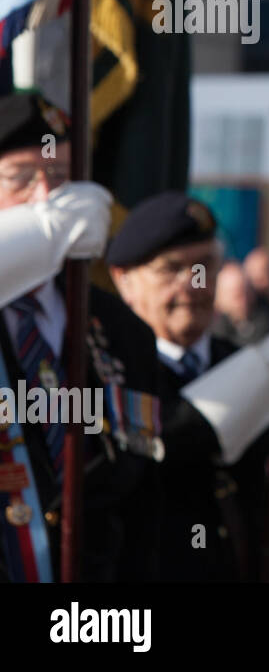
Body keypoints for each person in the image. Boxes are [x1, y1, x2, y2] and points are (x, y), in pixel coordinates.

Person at [106, 192, 269, 581]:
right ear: (125, 281)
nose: (193, 284)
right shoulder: (110, 372)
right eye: (171, 269)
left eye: (205, 265)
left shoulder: (249, 364)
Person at [0, 92, 162, 581]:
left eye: (63, 178)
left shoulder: (118, 327)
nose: (46, 195)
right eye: (21, 178)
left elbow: (141, 497)